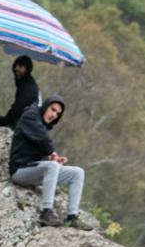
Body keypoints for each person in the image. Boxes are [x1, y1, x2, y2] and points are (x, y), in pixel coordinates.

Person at [9, 95, 87, 228]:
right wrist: (52, 153)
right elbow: (41, 138)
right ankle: (46, 212)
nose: (54, 115)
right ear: (45, 106)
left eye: (57, 114)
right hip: (19, 172)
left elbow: (38, 148)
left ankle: (72, 217)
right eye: (52, 109)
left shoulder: (43, 125)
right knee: (52, 166)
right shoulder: (30, 115)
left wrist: (52, 157)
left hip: (35, 170)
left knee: (77, 173)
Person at [0, 55, 39, 129]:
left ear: (27, 69)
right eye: (15, 66)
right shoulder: (24, 83)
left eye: (20, 66)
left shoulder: (28, 87)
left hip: (21, 126)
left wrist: (6, 122)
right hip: (18, 122)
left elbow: (17, 110)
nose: (16, 69)